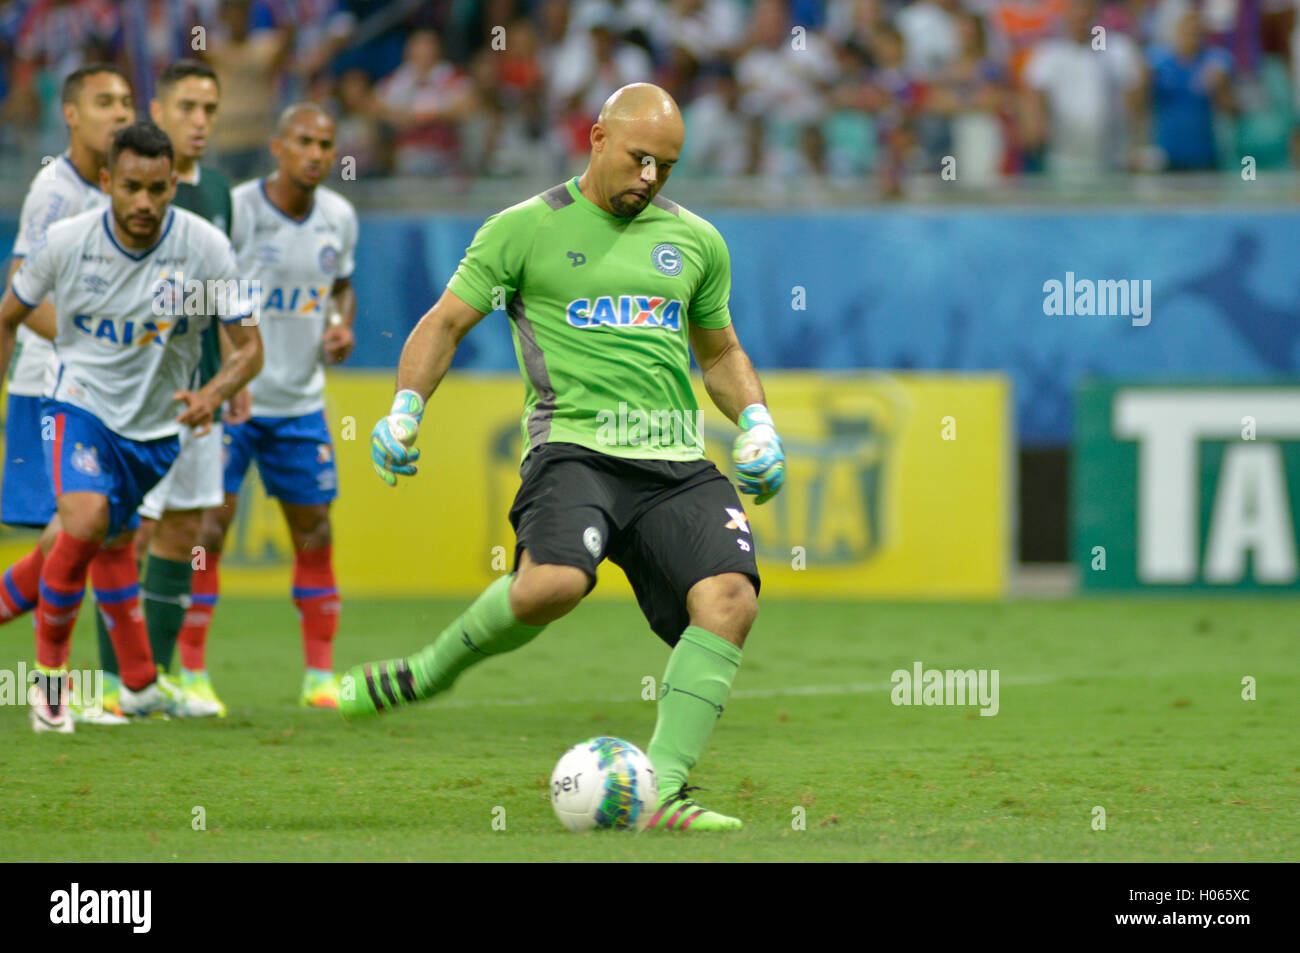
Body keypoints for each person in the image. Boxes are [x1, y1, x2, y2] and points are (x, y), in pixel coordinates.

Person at [346, 83, 786, 832]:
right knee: (550, 584)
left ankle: (665, 794)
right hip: (574, 449)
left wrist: (755, 421)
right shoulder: (523, 229)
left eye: (666, 167)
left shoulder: (698, 243)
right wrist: (404, 408)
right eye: (640, 158)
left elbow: (719, 351)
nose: (649, 177)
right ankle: (430, 669)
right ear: (597, 139)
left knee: (730, 599)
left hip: (674, 462)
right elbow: (444, 323)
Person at [0, 120, 264, 733]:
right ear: (106, 182)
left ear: (173, 184)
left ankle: (140, 682)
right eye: (129, 188)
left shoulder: (206, 248)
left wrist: (216, 392)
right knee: (86, 522)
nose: (143, 203)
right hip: (76, 405)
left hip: (155, 433)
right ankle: (50, 689)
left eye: (155, 188)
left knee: (103, 544)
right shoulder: (68, 241)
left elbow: (249, 348)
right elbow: (8, 312)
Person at [89, 58, 244, 717]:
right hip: (126, 398)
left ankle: (148, 683)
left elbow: (228, 295)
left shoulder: (218, 195)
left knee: (187, 532)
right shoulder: (115, 193)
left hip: (198, 392)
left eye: (210, 109)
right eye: (188, 108)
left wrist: (233, 374)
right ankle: (109, 683)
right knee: (124, 532)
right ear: (159, 107)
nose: (201, 121)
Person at [191, 103, 358, 709]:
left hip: (300, 407)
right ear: (278, 146)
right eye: (305, 142)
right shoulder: (236, 209)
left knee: (314, 532)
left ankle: (319, 676)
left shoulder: (339, 217)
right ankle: (188, 672)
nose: (317, 153)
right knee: (206, 530)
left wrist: (341, 327)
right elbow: (208, 295)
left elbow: (341, 290)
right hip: (238, 403)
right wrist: (224, 381)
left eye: (326, 142)